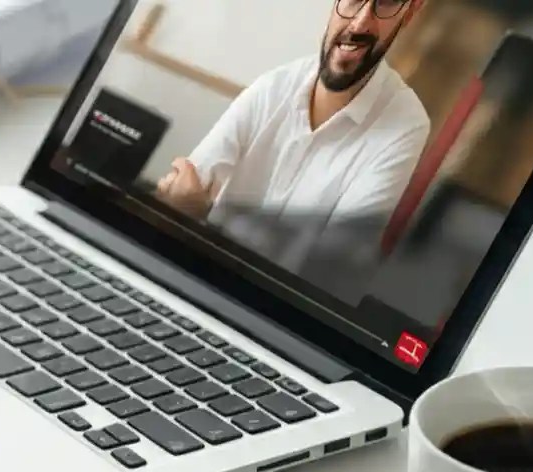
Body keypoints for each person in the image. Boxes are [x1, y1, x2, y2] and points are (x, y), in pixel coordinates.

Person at [156, 0, 432, 274]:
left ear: (410, 12)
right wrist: (185, 207)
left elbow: (330, 268)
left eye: (386, 3)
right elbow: (179, 194)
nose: (361, 22)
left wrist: (199, 214)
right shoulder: (273, 86)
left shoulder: (406, 125)